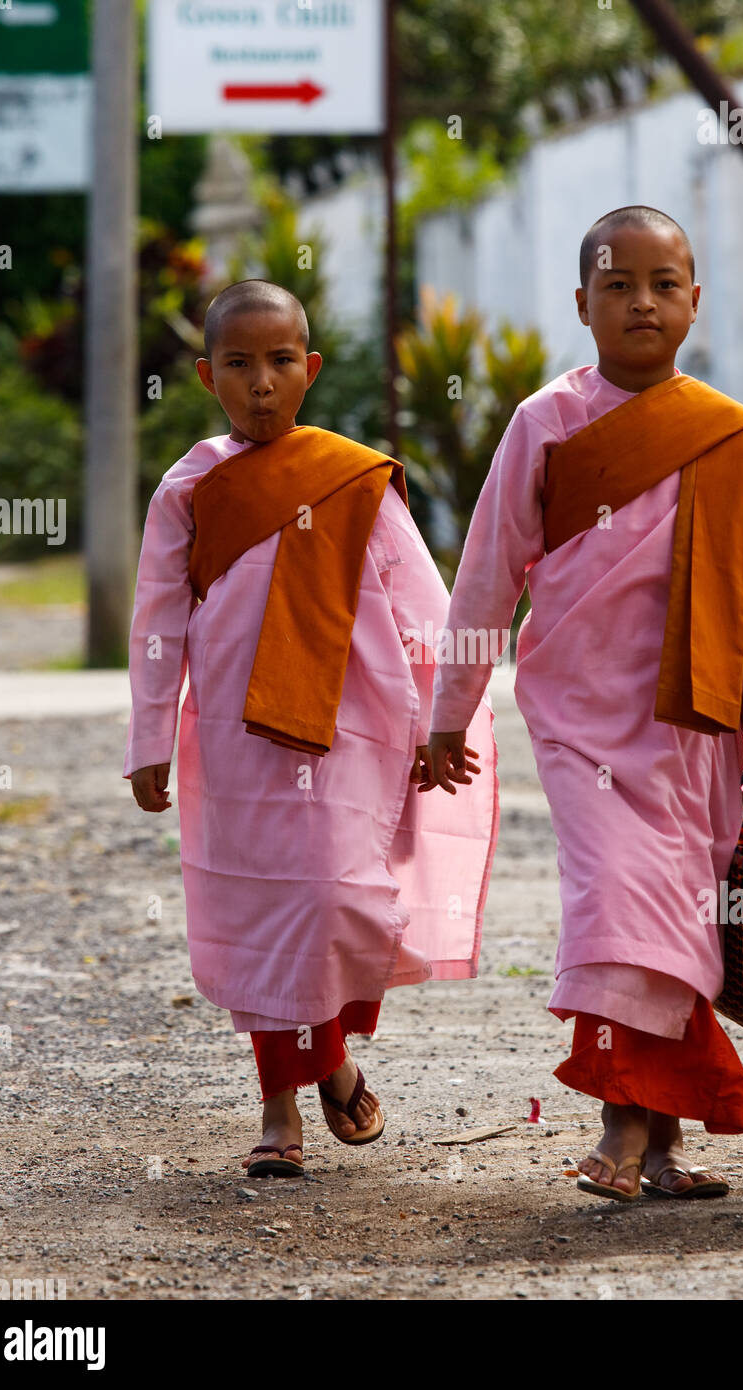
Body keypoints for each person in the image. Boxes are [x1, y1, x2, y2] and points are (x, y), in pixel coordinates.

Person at [423, 206, 743, 1202]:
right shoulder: (546, 422)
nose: (640, 301)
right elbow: (485, 576)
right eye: (616, 285)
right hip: (577, 717)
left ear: (694, 303)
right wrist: (446, 714)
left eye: (661, 284)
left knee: (675, 924)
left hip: (691, 726)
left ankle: (660, 1145)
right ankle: (616, 1123)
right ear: (580, 305)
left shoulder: (731, 438)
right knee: (614, 907)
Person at [124, 280, 498, 1178]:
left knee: (336, 900)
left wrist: (437, 723)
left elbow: (422, 608)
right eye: (241, 365)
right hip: (236, 738)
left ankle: (330, 1058)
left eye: (281, 361)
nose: (262, 383)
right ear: (207, 373)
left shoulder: (354, 477)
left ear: (311, 368)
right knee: (267, 909)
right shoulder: (191, 485)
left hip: (352, 733)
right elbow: (157, 620)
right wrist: (145, 741)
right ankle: (280, 1105)